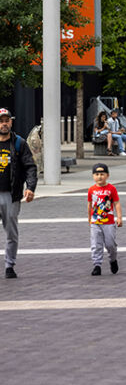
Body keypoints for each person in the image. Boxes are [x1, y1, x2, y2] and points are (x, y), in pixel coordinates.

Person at [0, 109, 37, 279]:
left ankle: (9, 265)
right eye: (1, 121)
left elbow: (30, 167)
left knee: (11, 232)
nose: (4, 124)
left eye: (7, 120)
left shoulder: (19, 143)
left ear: (11, 122)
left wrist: (30, 187)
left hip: (11, 195)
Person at [87, 163, 122, 276]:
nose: (99, 177)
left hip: (109, 222)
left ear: (107, 175)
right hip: (95, 222)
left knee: (110, 244)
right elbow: (89, 204)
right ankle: (97, 265)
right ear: (93, 176)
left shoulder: (111, 189)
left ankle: (113, 259)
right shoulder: (91, 190)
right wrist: (89, 218)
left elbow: (116, 203)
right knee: (96, 244)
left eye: (102, 174)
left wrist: (119, 217)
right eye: (97, 174)